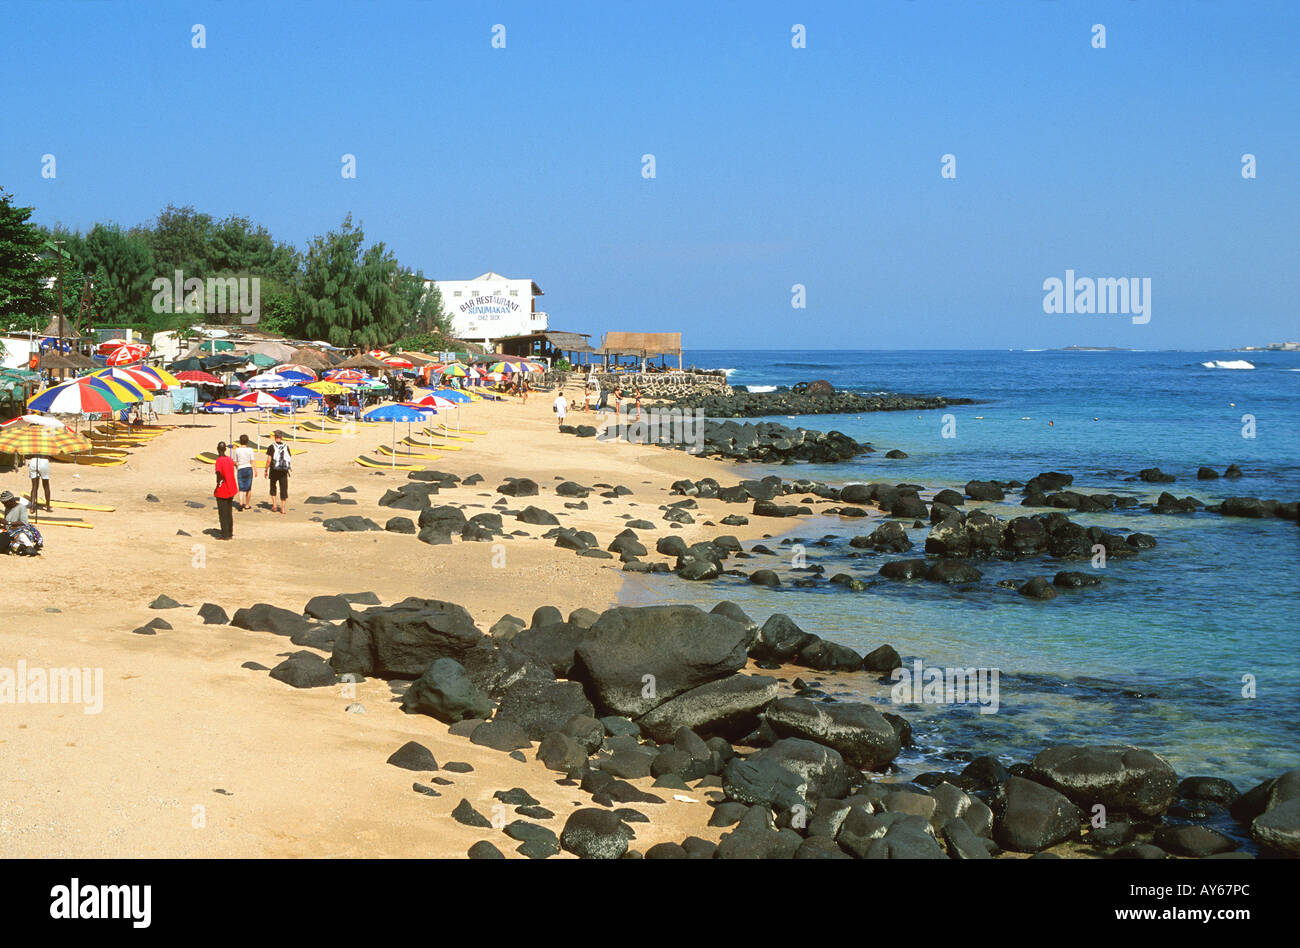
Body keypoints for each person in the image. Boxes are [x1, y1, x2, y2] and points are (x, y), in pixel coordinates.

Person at [1, 490, 42, 555]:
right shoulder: (7, 509)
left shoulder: (21, 507)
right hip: (10, 532)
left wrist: (7, 523)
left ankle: (29, 546)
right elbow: (7, 525)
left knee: (21, 534)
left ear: (10, 501)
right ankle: (19, 547)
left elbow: (24, 522)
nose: (4, 505)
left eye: (5, 503)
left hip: (20, 530)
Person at [213, 442, 237, 540]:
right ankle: (229, 532)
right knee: (228, 512)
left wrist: (218, 483)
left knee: (223, 513)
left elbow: (219, 474)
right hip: (231, 487)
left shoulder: (219, 461)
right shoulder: (229, 460)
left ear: (218, 449)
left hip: (223, 488)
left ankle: (225, 534)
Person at [264, 430, 292, 514]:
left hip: (274, 470)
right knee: (283, 488)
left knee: (273, 486)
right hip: (283, 470)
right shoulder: (286, 446)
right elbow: (288, 458)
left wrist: (266, 470)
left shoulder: (271, 447)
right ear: (282, 437)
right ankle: (283, 508)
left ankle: (275, 505)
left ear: (275, 437)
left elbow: (269, 460)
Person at [233, 433, 256, 510]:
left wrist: (237, 467)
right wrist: (255, 470)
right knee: (248, 488)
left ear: (240, 441)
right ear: (247, 442)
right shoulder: (250, 450)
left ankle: (240, 503)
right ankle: (247, 504)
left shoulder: (237, 450)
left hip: (240, 468)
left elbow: (235, 461)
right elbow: (252, 461)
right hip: (248, 468)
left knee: (241, 488)